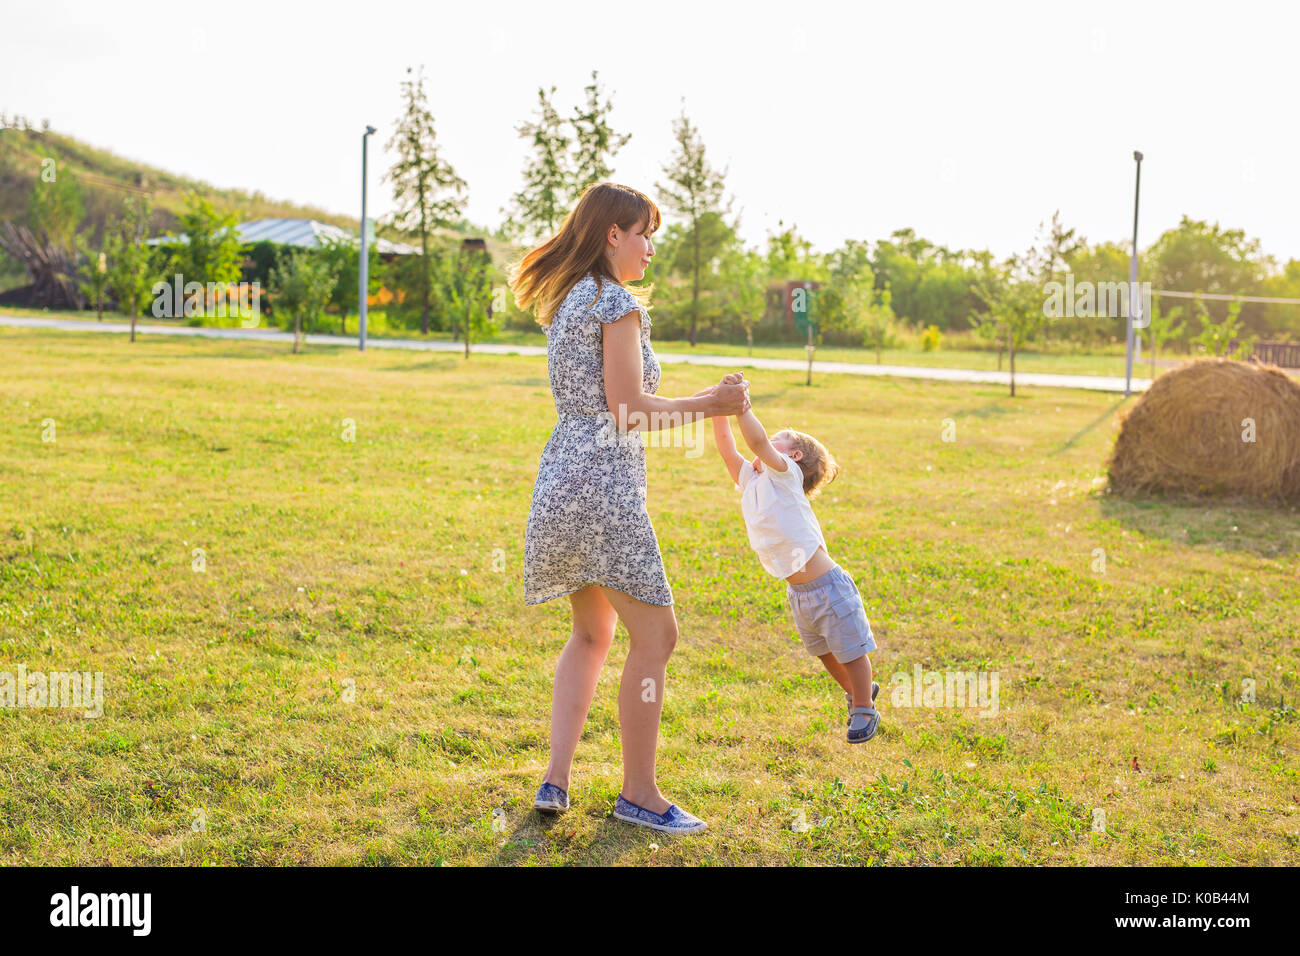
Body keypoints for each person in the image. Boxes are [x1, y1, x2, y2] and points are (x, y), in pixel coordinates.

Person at [509, 182, 751, 835]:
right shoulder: (615, 302)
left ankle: (555, 781)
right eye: (643, 232)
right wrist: (714, 404)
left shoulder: (568, 302)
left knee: (591, 634)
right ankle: (640, 795)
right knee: (658, 637)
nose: (650, 247)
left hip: (558, 481)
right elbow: (628, 411)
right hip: (604, 490)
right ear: (612, 233)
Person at [709, 373, 881, 742]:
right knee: (823, 651)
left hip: (827, 585)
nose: (763, 446)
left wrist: (742, 407)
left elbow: (753, 438)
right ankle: (856, 691)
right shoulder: (751, 479)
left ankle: (864, 706)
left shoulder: (783, 475)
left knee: (850, 648)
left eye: (774, 443)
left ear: (793, 456)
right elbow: (728, 449)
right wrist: (718, 409)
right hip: (798, 593)